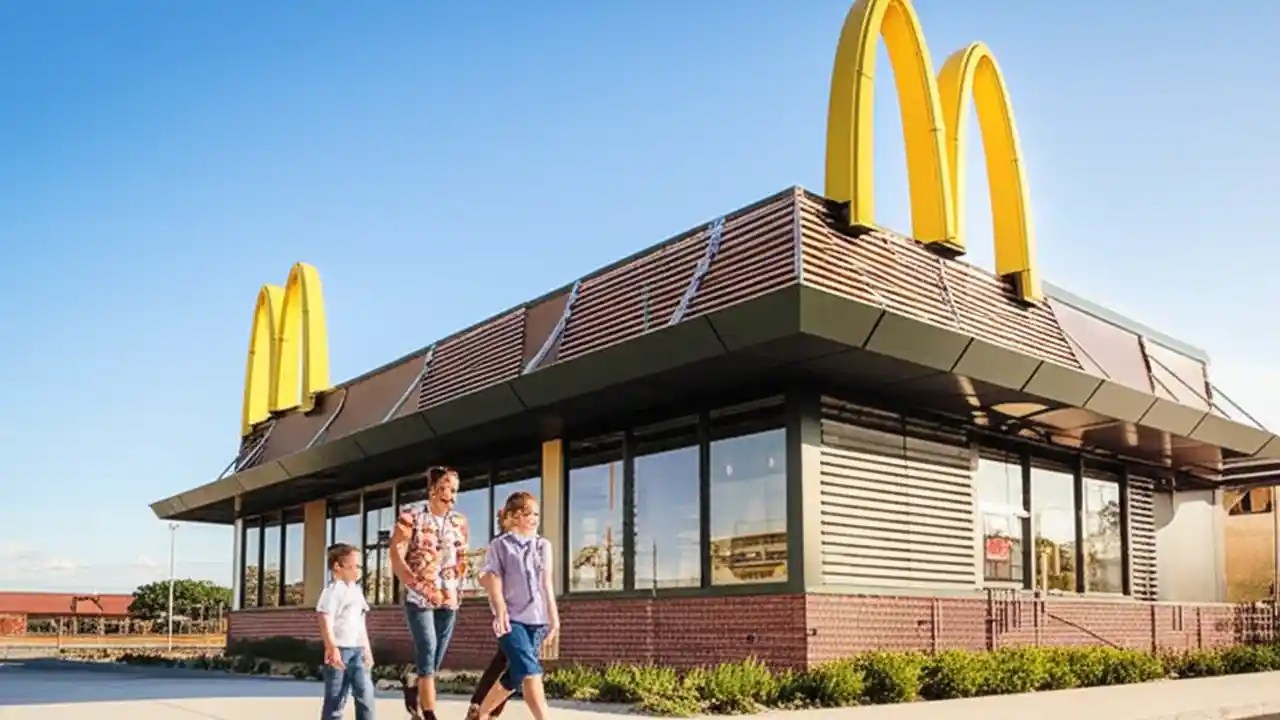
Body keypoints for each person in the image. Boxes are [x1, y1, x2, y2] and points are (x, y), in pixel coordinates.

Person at [390, 466, 470, 720]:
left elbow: (462, 557)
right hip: (420, 597)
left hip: (450, 596)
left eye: (456, 490)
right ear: (433, 489)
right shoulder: (411, 517)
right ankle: (430, 713)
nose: (453, 496)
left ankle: (413, 686)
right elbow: (396, 555)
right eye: (448, 489)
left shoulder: (460, 522)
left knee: (434, 659)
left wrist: (460, 584)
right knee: (428, 648)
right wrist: (416, 585)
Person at [473, 491, 560, 720]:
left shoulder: (543, 546)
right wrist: (499, 606)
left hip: (538, 621)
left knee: (516, 675)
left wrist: (554, 618)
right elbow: (490, 577)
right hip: (511, 621)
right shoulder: (499, 546)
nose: (534, 519)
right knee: (531, 672)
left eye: (536, 514)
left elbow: (546, 584)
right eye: (528, 514)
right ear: (513, 516)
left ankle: (480, 715)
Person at [317, 542, 376, 720]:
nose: (358, 570)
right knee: (336, 699)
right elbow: (324, 617)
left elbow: (360, 623)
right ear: (338, 567)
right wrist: (331, 647)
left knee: (366, 696)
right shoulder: (333, 591)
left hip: (358, 651)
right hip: (340, 652)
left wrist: (367, 649)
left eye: (360, 566)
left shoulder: (357, 591)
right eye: (354, 566)